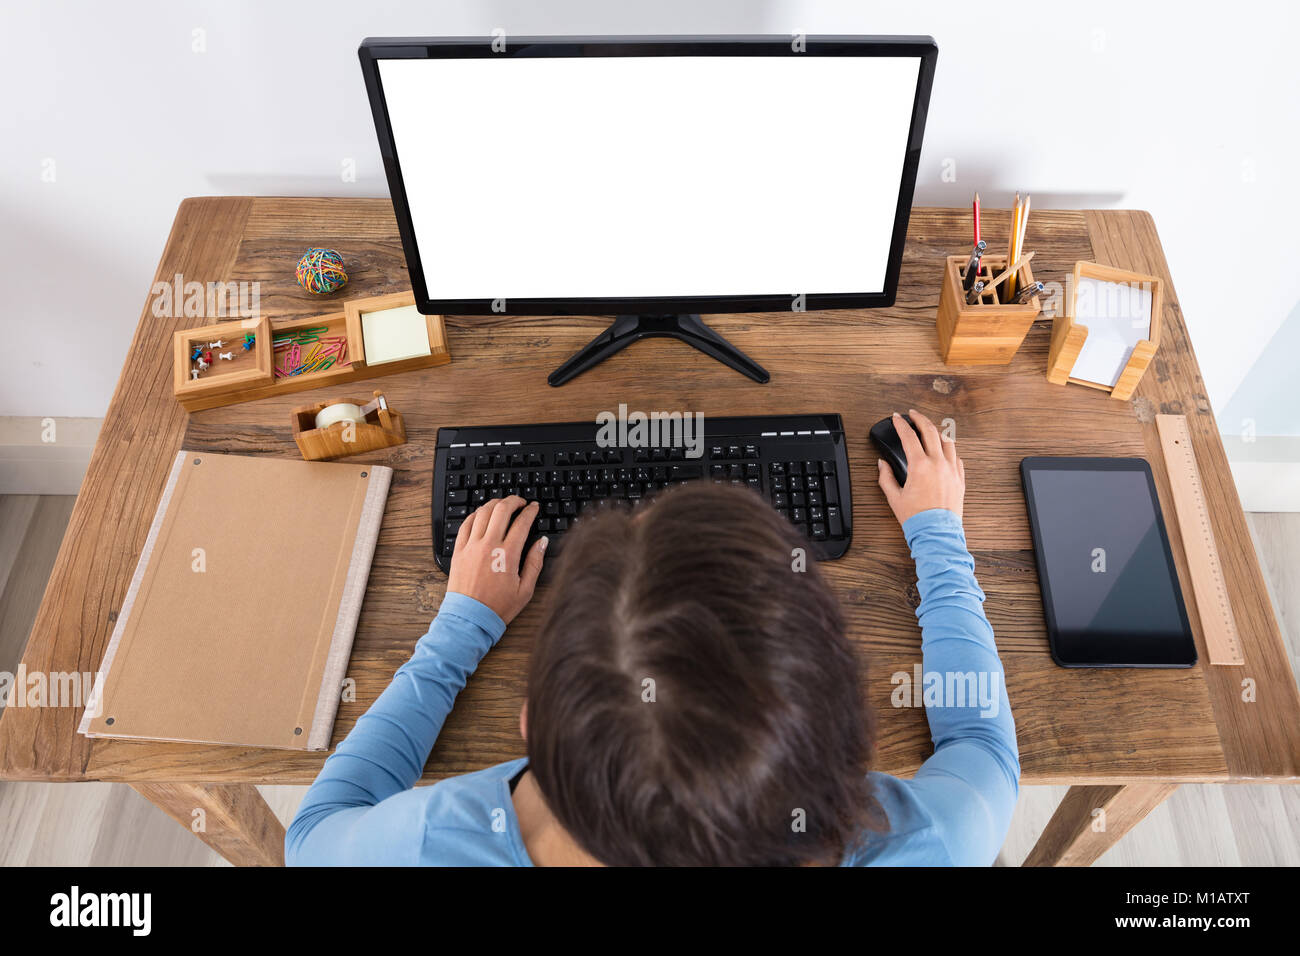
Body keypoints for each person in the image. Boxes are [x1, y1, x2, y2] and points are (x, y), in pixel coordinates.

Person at [286, 410, 1019, 865]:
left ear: (532, 725)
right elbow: (981, 747)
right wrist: (937, 536)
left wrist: (463, 625)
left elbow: (314, 831)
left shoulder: (434, 843)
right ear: (846, 732)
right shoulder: (934, 843)